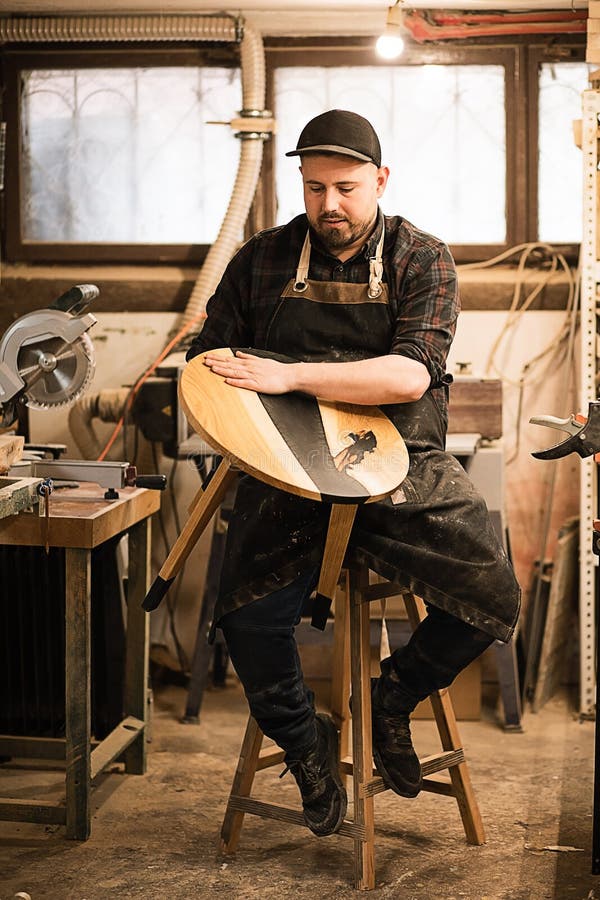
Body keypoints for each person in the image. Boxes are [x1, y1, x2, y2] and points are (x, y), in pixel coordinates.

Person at [186, 109, 521, 837]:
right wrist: (217, 380)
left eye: (344, 187)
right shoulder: (263, 261)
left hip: (399, 465)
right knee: (244, 615)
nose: (328, 205)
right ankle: (305, 746)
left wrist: (288, 374)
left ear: (380, 179)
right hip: (288, 468)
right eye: (313, 189)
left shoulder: (420, 257)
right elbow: (208, 356)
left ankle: (393, 698)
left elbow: (407, 376)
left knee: (493, 591)